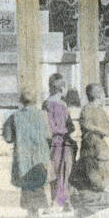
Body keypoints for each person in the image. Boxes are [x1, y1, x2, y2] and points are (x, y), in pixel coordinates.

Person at [72, 83, 109, 217]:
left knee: (95, 177)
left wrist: (98, 130)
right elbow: (97, 128)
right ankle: (96, 202)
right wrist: (99, 130)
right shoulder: (91, 110)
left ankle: (94, 202)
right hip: (94, 147)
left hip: (95, 147)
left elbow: (98, 127)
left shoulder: (93, 110)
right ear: (99, 95)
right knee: (94, 177)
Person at [2, 90, 50, 218]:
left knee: (26, 183)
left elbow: (7, 137)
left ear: (21, 102)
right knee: (38, 182)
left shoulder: (14, 117)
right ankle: (36, 211)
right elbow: (49, 135)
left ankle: (30, 211)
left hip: (22, 156)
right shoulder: (44, 115)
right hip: (40, 156)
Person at [45, 73, 78, 210]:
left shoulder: (46, 104)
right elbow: (70, 125)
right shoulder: (63, 105)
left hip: (52, 143)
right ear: (62, 89)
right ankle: (65, 201)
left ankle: (55, 201)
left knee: (54, 171)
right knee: (66, 171)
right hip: (64, 142)